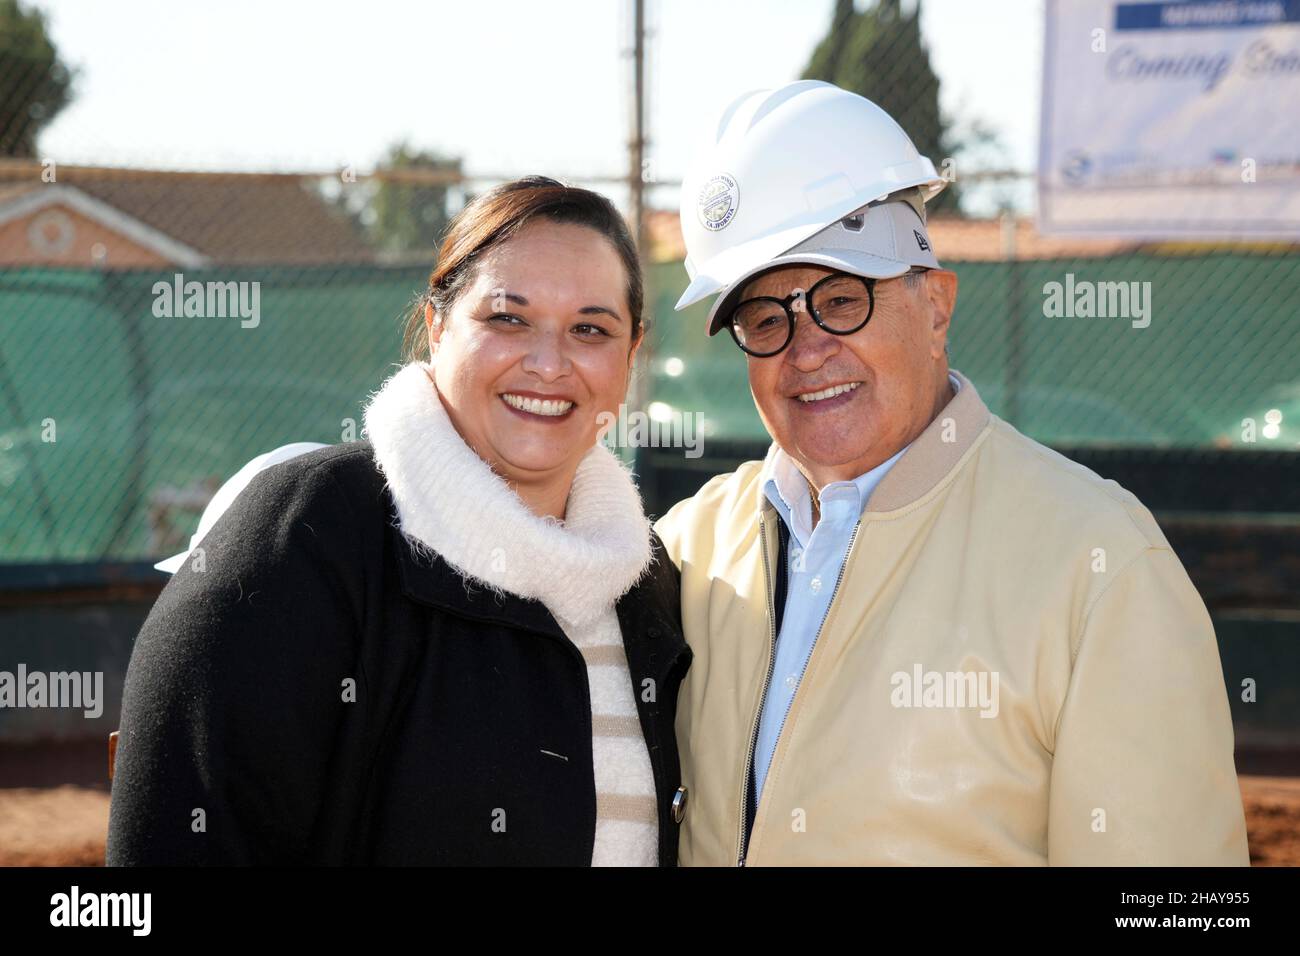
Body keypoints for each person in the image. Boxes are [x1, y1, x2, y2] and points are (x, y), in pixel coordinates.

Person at [655, 80, 1249, 866]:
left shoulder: (1098, 562)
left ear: (936, 306)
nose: (805, 350)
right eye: (765, 318)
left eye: (841, 298)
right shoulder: (689, 549)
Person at [107, 176, 692, 866]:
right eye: (508, 317)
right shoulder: (301, 535)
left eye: (590, 328)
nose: (548, 363)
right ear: (437, 325)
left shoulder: (648, 582)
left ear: (632, 354)